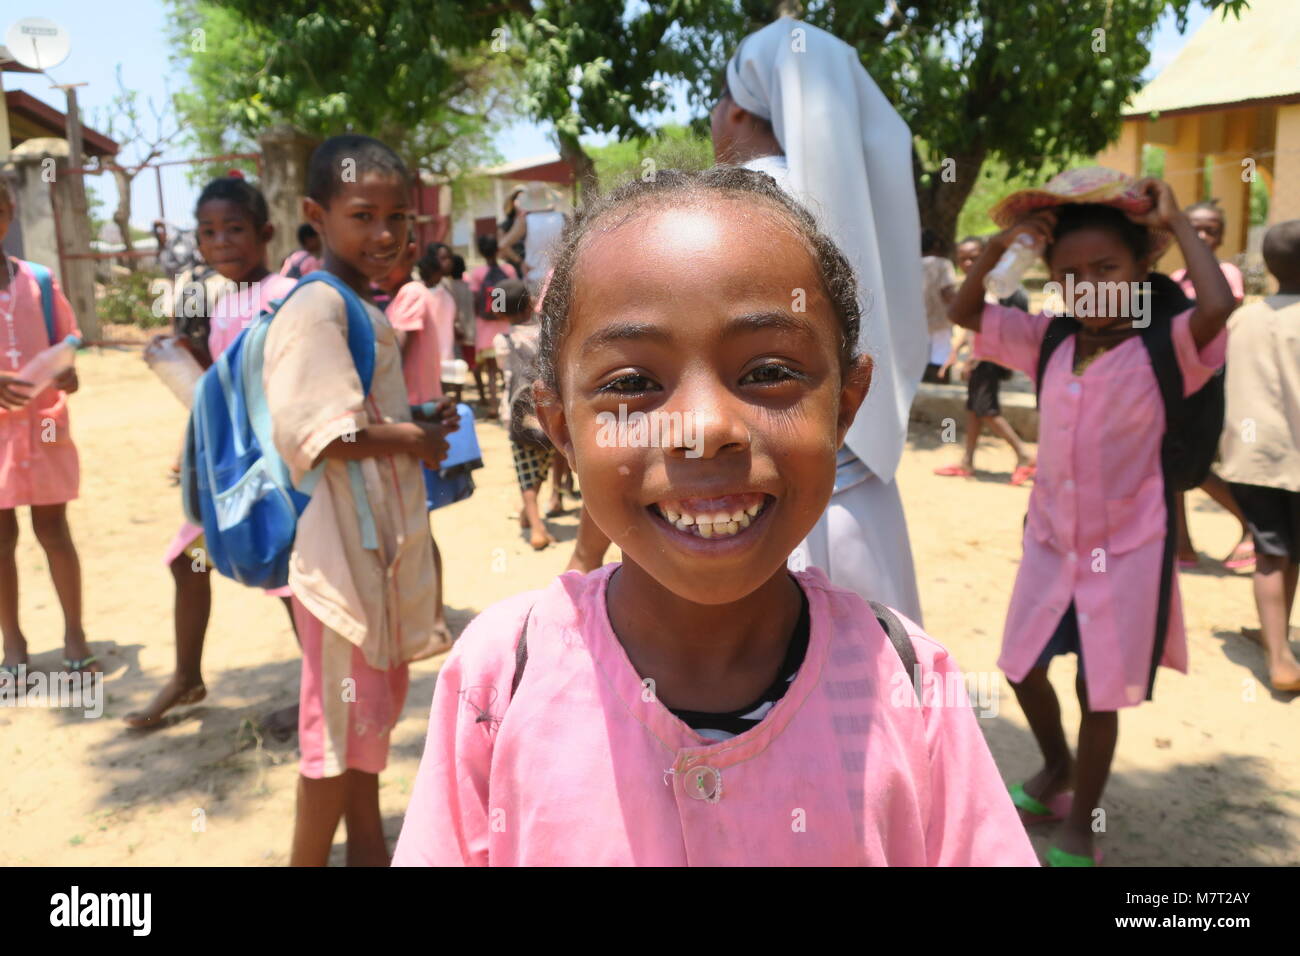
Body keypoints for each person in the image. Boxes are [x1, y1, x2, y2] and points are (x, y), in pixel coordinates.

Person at [392, 167, 1037, 867]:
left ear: (846, 405)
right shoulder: (500, 677)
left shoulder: (908, 683)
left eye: (767, 372)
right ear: (561, 429)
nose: (704, 428)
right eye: (633, 384)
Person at [949, 168, 1235, 865]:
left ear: (1144, 266)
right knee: (1021, 668)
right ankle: (1057, 766)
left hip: (1128, 550)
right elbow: (966, 315)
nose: (1090, 286)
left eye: (1107, 267)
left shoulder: (1167, 344)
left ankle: (1083, 820)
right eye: (1071, 273)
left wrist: (1171, 222)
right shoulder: (1049, 339)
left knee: (1098, 687)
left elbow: (1220, 303)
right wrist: (993, 253)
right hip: (1051, 542)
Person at [265, 134, 457, 866]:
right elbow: (323, 433)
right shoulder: (316, 305)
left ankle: (371, 852)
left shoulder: (355, 304)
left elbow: (362, 418)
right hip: (342, 555)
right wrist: (411, 438)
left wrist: (414, 424)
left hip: (373, 551)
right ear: (316, 215)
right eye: (362, 215)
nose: (385, 234)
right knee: (334, 739)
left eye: (398, 218)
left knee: (365, 725)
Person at [709, 17, 928, 622]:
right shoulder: (856, 211)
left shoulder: (725, 211)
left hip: (747, 500)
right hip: (862, 494)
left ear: (735, 112)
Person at [124, 177, 301, 729]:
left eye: (234, 230)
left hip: (272, 471)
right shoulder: (226, 302)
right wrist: (184, 356)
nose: (220, 242)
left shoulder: (283, 295)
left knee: (291, 581)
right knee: (189, 559)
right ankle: (187, 677)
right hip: (229, 469)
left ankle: (321, 695)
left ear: (265, 232)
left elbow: (277, 384)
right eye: (208, 232)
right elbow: (222, 387)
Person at [0, 179, 96, 679]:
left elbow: (68, 340)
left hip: (43, 427)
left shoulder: (37, 281)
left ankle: (74, 634)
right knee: (0, 539)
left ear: (8, 213)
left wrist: (67, 370)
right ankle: (12, 641)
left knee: (53, 530)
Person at [1217, 219, 1300, 692]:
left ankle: (1277, 643)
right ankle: (1281, 654)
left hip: (1253, 458)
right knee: (1288, 555)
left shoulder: (1243, 317)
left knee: (1272, 552)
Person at [375, 240, 456, 651]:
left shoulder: (408, 294)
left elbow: (392, 358)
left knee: (418, 525)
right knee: (414, 524)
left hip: (411, 418)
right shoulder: (411, 295)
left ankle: (436, 623)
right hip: (413, 415)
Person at [1168, 200, 1253, 572]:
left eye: (1211, 230)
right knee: (1170, 462)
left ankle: (1254, 524)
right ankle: (1182, 545)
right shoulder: (1174, 279)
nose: (1203, 236)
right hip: (1175, 381)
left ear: (1220, 236)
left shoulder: (1227, 274)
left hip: (1209, 380)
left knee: (1196, 465)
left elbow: (1217, 308)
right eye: (1195, 228)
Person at [934, 235, 1036, 483]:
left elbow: (987, 327)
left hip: (987, 358)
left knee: (986, 409)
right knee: (974, 408)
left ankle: (1024, 454)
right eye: (963, 259)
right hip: (977, 355)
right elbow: (969, 326)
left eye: (974, 258)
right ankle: (967, 461)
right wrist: (955, 351)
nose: (968, 263)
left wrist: (971, 359)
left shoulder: (993, 287)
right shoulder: (975, 287)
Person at [490, 279, 559, 550]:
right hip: (546, 413)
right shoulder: (545, 333)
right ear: (531, 304)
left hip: (517, 415)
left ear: (500, 312)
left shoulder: (502, 340)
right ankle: (529, 518)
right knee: (541, 465)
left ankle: (536, 528)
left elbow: (504, 373)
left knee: (524, 471)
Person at [466, 235, 519, 419]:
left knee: (490, 370)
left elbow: (475, 299)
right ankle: (510, 404)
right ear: (498, 249)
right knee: (508, 370)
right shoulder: (509, 269)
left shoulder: (478, 273)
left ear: (481, 252)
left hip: (485, 328)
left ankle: (492, 406)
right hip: (506, 326)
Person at [920, 230, 959, 383]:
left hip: (916, 320)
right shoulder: (943, 264)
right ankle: (939, 383)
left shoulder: (911, 264)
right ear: (937, 245)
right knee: (941, 354)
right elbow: (947, 291)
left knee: (921, 354)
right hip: (940, 319)